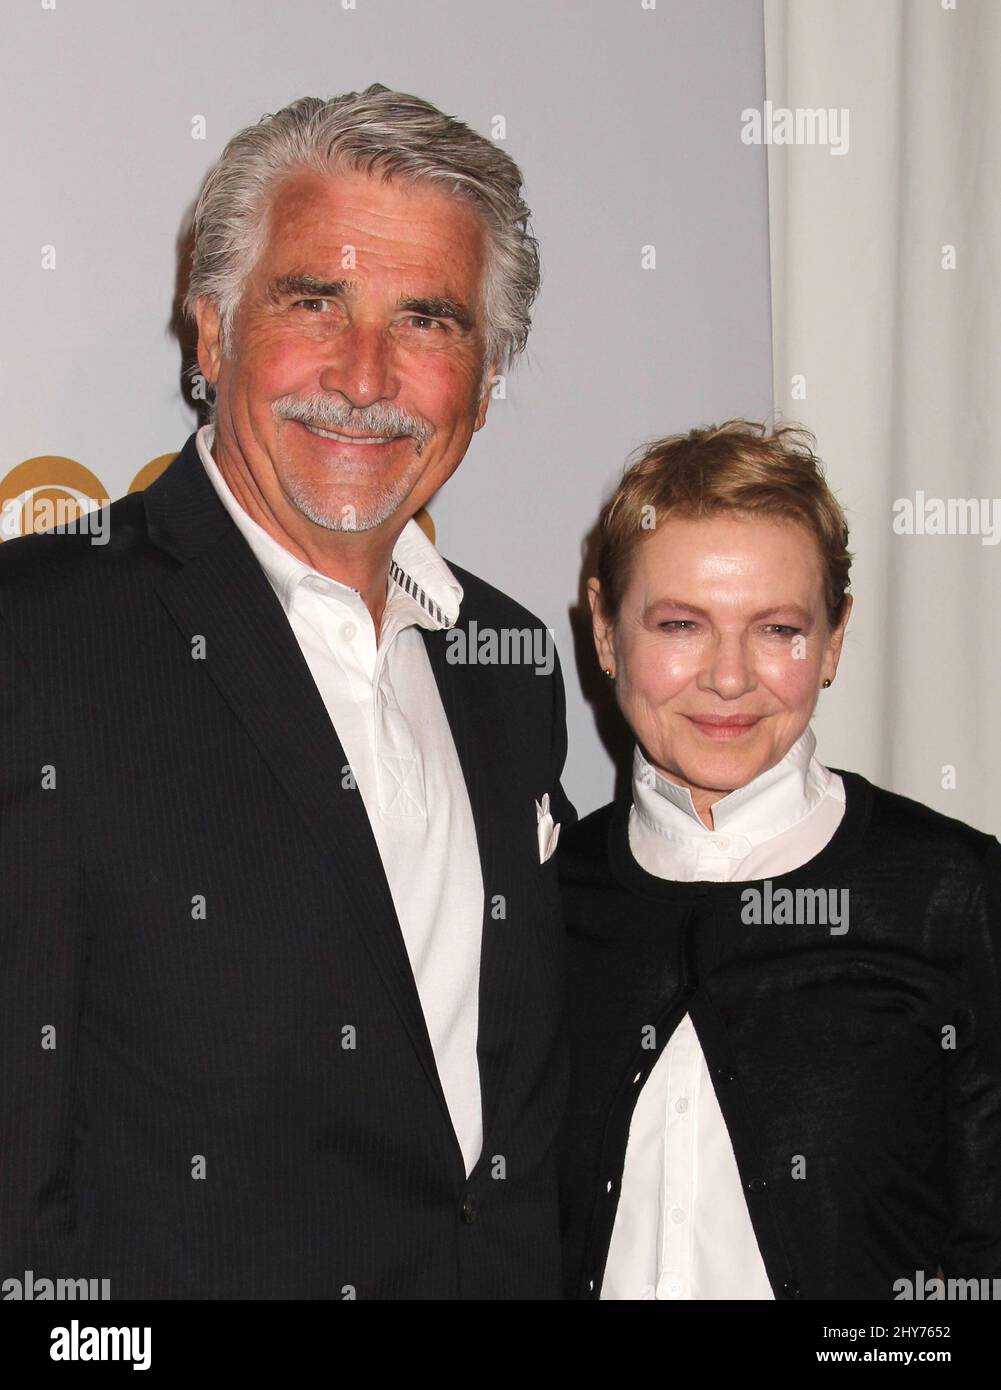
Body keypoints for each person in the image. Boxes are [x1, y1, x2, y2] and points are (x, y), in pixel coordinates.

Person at [0, 84, 575, 1300]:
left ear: (482, 378)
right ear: (209, 333)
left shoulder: (508, 661)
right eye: (313, 301)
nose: (364, 377)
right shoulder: (36, 638)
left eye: (427, 320)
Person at [558, 420, 1001, 1300]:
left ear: (832, 642)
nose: (728, 678)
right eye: (680, 624)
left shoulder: (951, 894)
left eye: (777, 630)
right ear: (605, 632)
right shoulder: (535, 896)